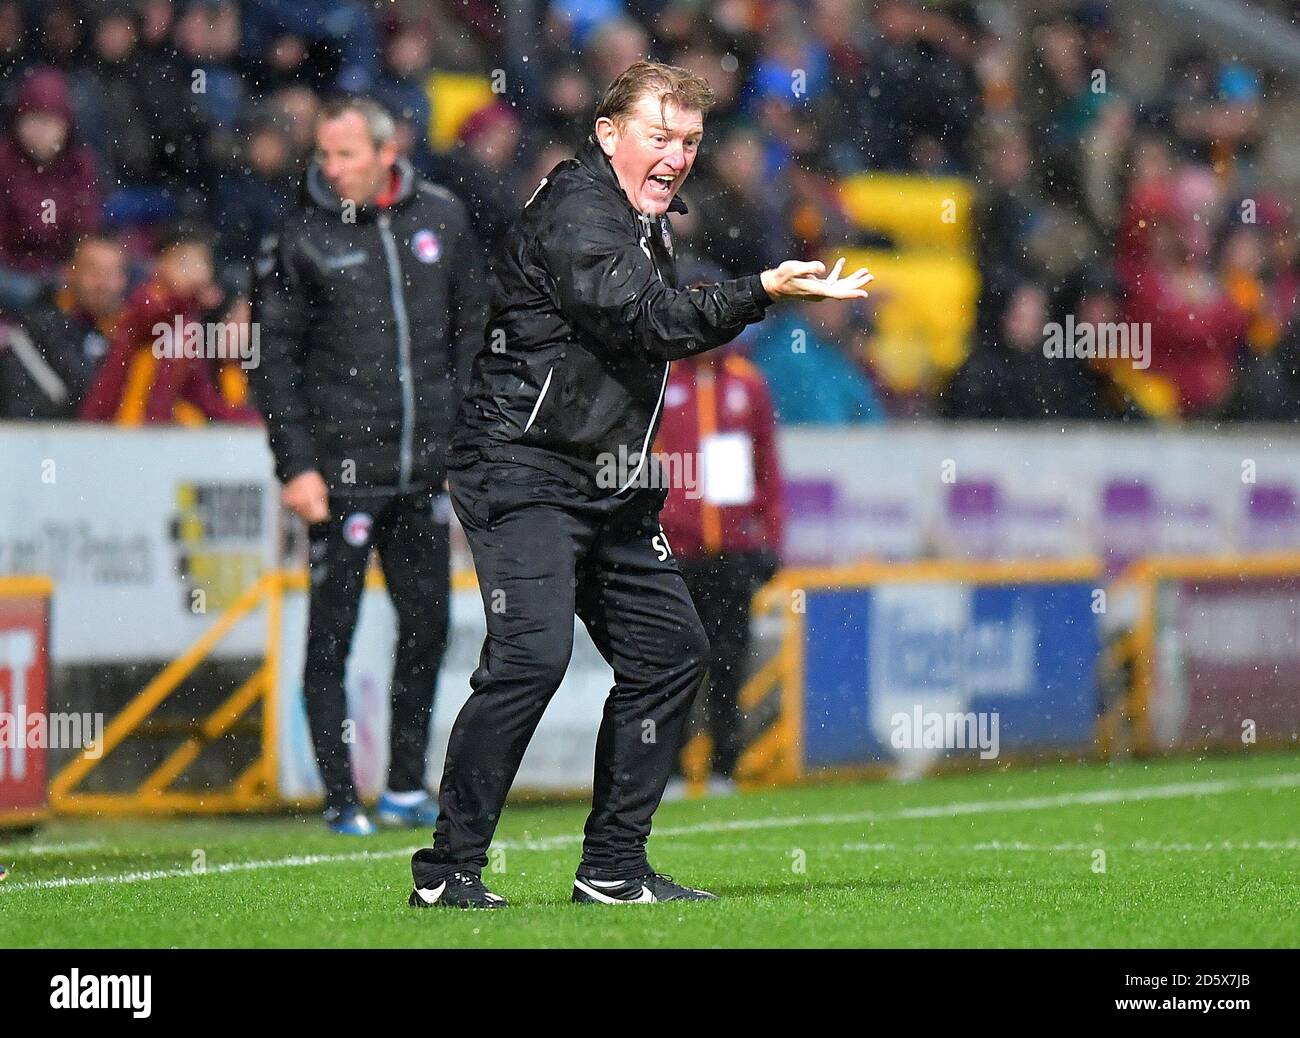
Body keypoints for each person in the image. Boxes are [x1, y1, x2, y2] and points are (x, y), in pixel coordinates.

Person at [408, 60, 871, 909]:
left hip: (606, 478)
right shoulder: (579, 211)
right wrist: (761, 289)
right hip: (523, 464)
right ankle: (447, 872)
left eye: (690, 140)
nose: (677, 155)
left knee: (671, 652)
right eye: (660, 136)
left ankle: (613, 868)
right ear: (608, 135)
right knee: (532, 656)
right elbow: (649, 320)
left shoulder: (640, 218)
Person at [250, 97, 487, 836]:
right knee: (332, 637)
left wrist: (468, 444)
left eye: (346, 153)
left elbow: (474, 332)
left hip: (424, 475)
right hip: (340, 474)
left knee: (427, 629)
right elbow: (275, 368)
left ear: (388, 152)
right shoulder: (299, 240)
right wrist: (297, 467)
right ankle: (338, 799)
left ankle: (406, 788)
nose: (332, 167)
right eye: (324, 155)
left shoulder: (443, 218)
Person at [657, 337, 785, 796]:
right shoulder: (663, 380)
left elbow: (766, 466)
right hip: (677, 551)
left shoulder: (748, 384)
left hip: (732, 552)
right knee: (674, 663)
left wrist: (771, 538)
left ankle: (724, 767)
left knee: (730, 660)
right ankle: (668, 769)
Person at [1, 234, 125, 420]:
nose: (103, 284)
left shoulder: (132, 332)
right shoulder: (33, 332)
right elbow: (20, 411)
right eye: (93, 271)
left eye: (111, 273)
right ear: (68, 273)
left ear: (123, 280)